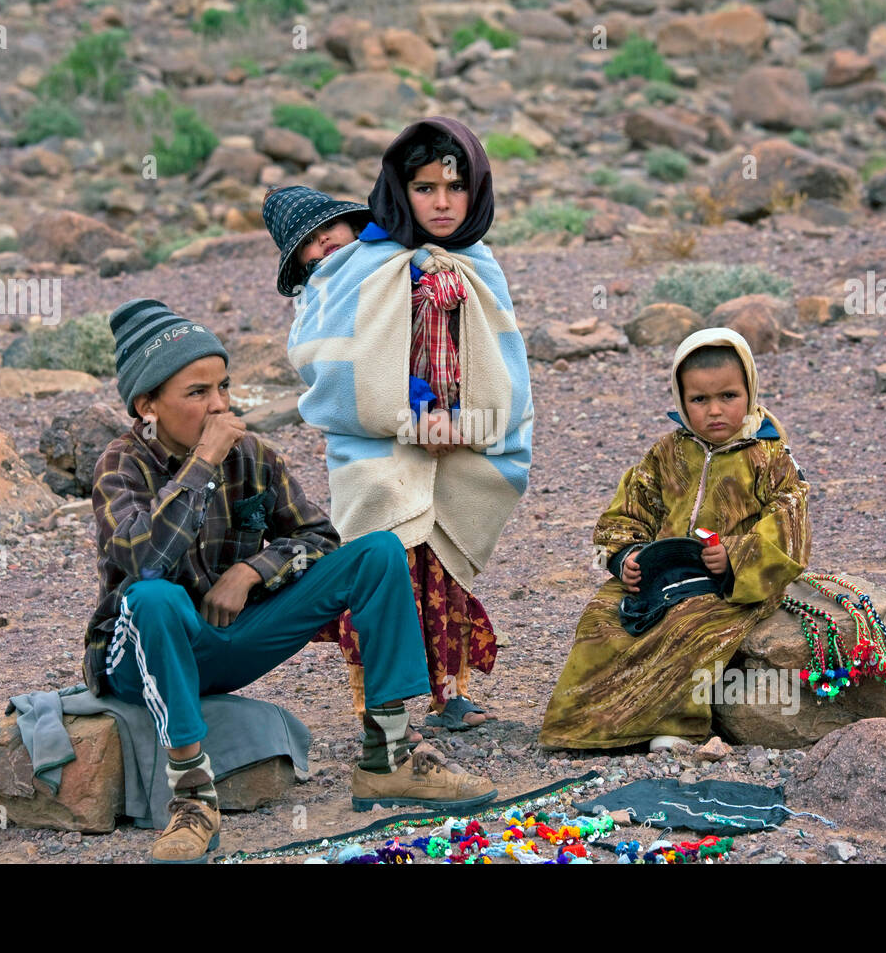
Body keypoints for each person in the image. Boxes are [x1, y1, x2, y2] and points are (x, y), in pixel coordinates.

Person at [84, 297, 496, 863]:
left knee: (376, 552)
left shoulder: (252, 455)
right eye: (196, 393)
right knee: (153, 597)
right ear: (146, 405)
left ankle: (389, 756)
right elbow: (142, 562)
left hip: (229, 638)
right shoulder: (120, 464)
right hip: (142, 655)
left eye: (223, 387)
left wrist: (252, 571)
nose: (219, 405)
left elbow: (318, 539)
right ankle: (192, 800)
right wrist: (200, 465)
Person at [269, 117, 533, 734]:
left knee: (442, 572)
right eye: (424, 189)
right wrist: (408, 413)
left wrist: (469, 419)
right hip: (382, 446)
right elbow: (334, 363)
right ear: (399, 189)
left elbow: (503, 362)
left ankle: (451, 695)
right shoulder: (362, 267)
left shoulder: (478, 263)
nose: (442, 203)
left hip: (459, 437)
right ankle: (377, 711)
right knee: (382, 569)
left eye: (456, 187)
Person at [538, 328, 811, 751]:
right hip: (664, 576)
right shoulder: (666, 453)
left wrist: (734, 557)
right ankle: (581, 726)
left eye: (729, 396)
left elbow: (790, 524)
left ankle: (676, 727)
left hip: (733, 585)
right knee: (602, 616)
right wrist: (626, 556)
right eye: (699, 400)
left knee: (691, 627)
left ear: (751, 391)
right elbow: (629, 510)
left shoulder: (769, 456)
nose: (715, 410)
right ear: (681, 400)